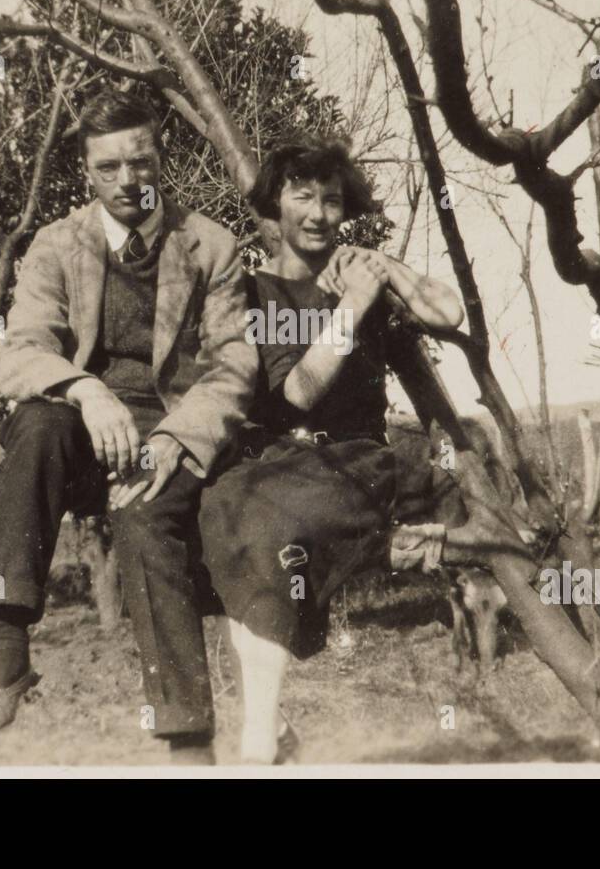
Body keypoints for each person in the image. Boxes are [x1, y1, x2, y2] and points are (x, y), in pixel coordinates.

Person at [0, 87, 256, 765]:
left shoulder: (211, 246)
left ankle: (187, 738)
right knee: (37, 427)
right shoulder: (56, 244)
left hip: (174, 432)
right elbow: (18, 352)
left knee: (144, 521)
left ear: (162, 158)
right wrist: (85, 388)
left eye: (141, 162)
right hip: (82, 424)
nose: (129, 181)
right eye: (109, 168)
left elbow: (236, 364)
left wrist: (173, 441)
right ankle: (9, 641)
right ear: (87, 174)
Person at [198, 138, 465, 763]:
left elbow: (448, 314)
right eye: (303, 196)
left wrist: (386, 269)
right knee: (227, 510)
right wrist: (353, 304)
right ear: (275, 208)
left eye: (333, 200)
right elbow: (297, 390)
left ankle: (259, 739)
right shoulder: (253, 291)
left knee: (264, 522)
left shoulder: (360, 282)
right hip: (272, 464)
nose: (319, 214)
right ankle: (270, 724)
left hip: (352, 462)